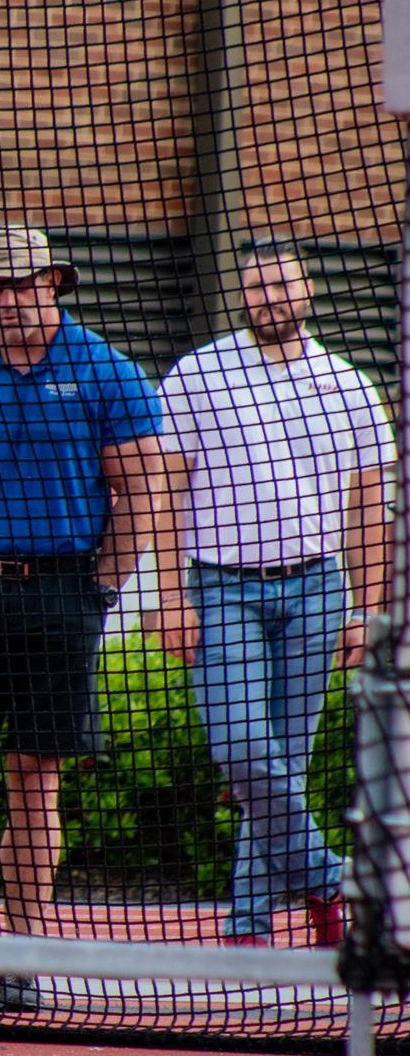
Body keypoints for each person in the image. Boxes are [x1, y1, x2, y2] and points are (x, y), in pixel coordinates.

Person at [0, 225, 165, 1011]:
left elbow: (142, 490)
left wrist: (102, 590)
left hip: (60, 594)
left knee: (34, 777)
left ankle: (20, 950)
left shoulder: (104, 370)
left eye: (22, 284)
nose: (7, 300)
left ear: (55, 282)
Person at [146, 241, 393, 947]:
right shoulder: (199, 374)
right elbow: (163, 490)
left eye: (280, 284)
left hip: (317, 590)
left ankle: (249, 923)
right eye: (256, 287)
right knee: (244, 750)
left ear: (307, 290)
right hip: (222, 588)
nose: (268, 297)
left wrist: (366, 614)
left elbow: (368, 510)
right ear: (242, 295)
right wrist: (170, 596)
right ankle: (327, 880)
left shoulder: (348, 385)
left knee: (282, 754)